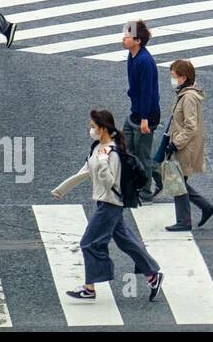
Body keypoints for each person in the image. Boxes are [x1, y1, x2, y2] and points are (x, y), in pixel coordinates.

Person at [52, 109, 164, 303]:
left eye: (93, 127)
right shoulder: (97, 147)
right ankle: (153, 275)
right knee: (125, 241)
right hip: (106, 202)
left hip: (110, 204)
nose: (91, 130)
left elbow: (109, 182)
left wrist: (104, 163)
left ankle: (89, 288)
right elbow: (84, 171)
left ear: (103, 128)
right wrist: (61, 190)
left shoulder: (111, 153)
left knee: (88, 242)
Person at [161, 60, 213, 231]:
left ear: (183, 78)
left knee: (178, 181)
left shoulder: (189, 97)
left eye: (174, 77)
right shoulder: (185, 94)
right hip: (183, 144)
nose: (172, 80)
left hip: (185, 147)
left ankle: (184, 221)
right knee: (179, 181)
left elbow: (190, 126)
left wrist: (175, 144)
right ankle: (205, 207)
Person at [120, 20, 161, 203]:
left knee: (142, 153)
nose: (123, 39)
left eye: (127, 36)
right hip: (136, 112)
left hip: (147, 115)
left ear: (137, 40)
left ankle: (145, 190)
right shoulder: (132, 55)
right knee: (128, 148)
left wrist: (145, 118)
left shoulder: (144, 61)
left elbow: (148, 93)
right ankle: (139, 181)